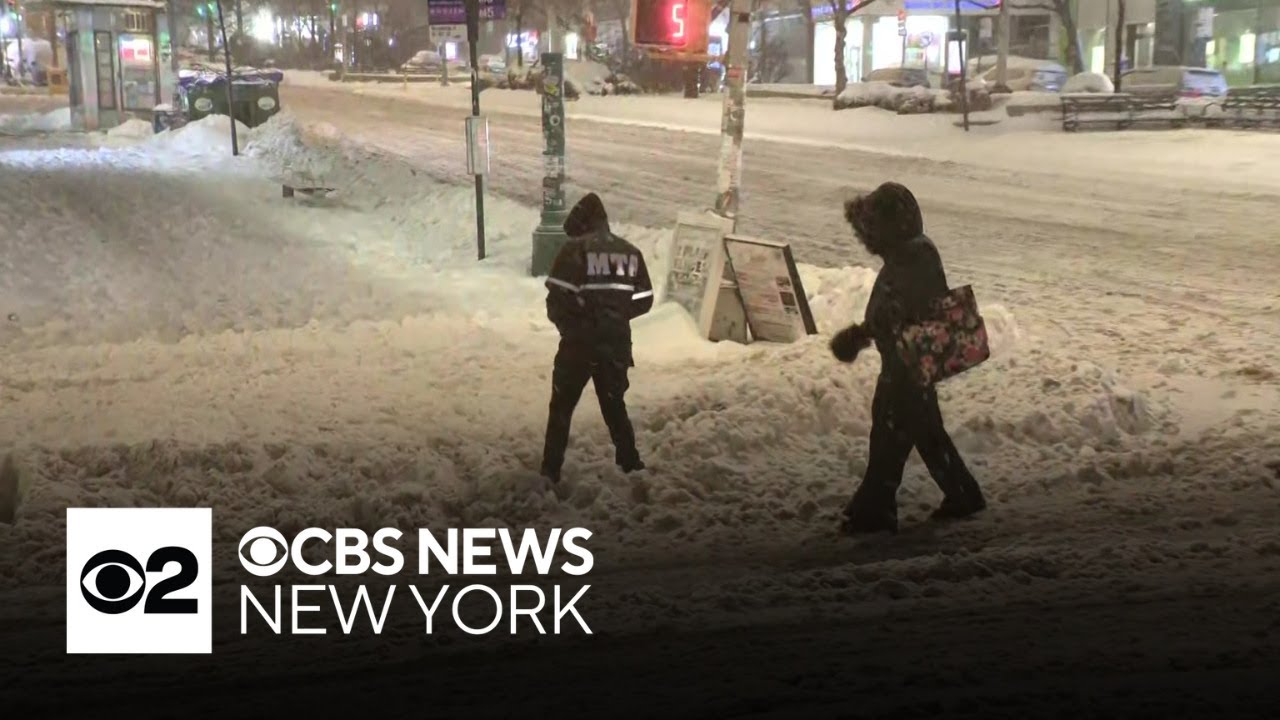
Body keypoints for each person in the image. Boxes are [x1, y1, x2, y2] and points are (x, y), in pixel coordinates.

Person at [830, 181, 986, 534]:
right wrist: (863, 332)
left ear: (889, 226)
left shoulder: (916, 256)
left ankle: (876, 506)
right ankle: (961, 493)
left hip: (908, 364)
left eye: (871, 228)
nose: (867, 238)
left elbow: (908, 310)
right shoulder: (906, 253)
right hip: (903, 361)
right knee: (922, 433)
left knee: (890, 434)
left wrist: (866, 331)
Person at [540, 192, 654, 483]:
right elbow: (645, 299)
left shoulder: (574, 251)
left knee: (562, 407)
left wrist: (572, 327)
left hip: (578, 345)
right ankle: (631, 466)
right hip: (615, 346)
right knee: (615, 406)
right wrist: (614, 316)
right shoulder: (630, 252)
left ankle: (550, 471)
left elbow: (556, 301)